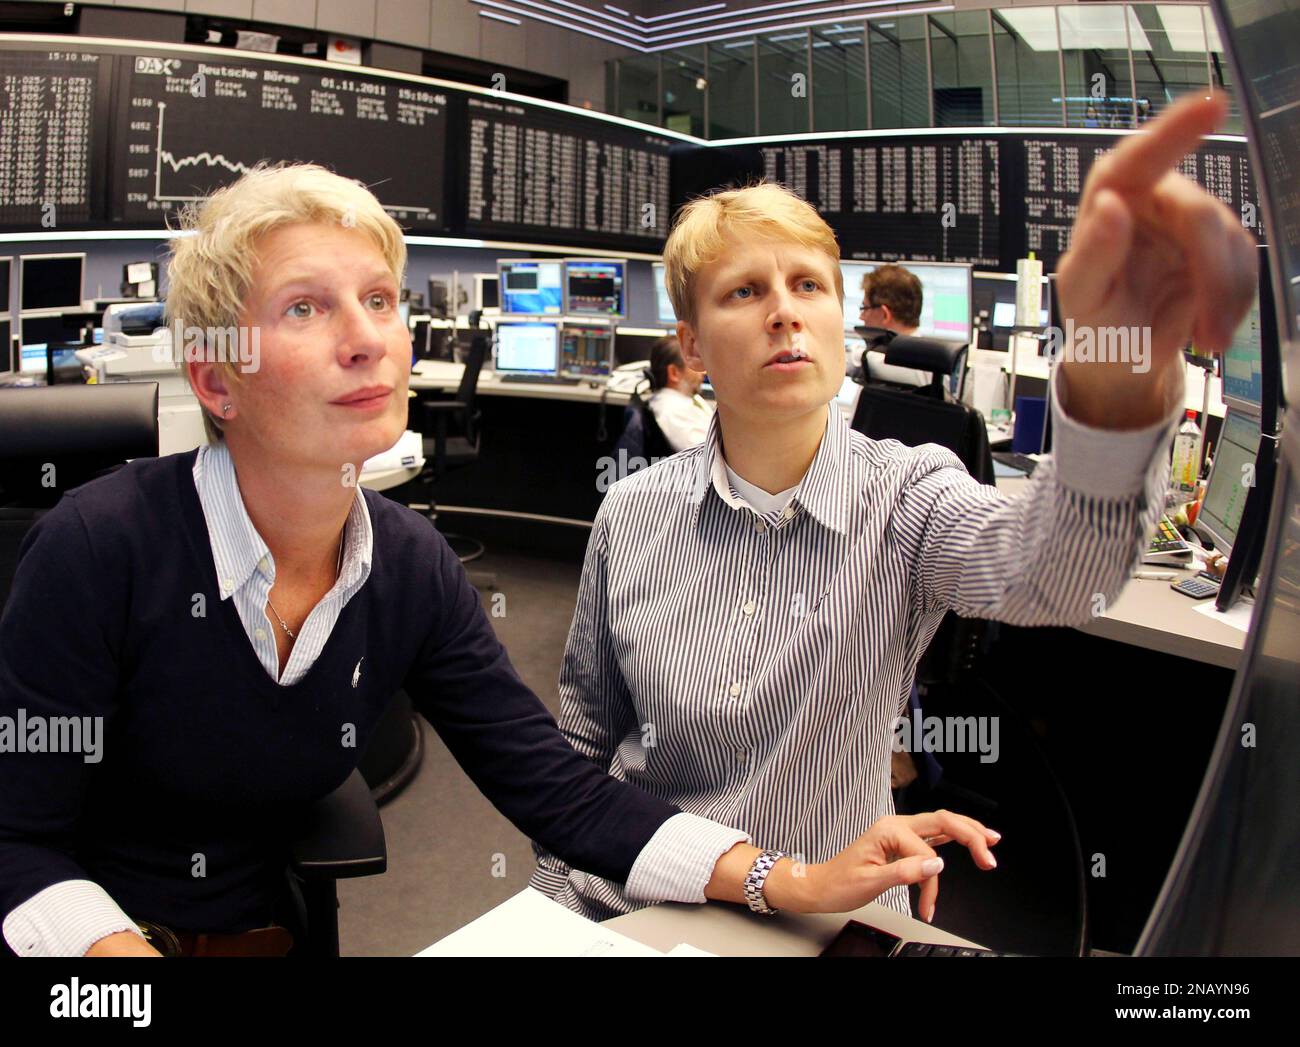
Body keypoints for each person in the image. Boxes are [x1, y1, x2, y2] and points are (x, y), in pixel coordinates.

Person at [0, 163, 998, 958]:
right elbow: (16, 842)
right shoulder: (100, 545)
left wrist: (786, 878)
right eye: (306, 309)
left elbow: (558, 791)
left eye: (381, 299)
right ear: (217, 379)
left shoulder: (407, 564)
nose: (368, 341)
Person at [530, 93, 1257, 923]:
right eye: (743, 292)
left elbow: (1058, 575)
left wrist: (1111, 362)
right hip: (637, 904)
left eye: (810, 284)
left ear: (845, 322)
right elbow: (582, 755)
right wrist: (551, 914)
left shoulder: (906, 494)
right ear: (691, 347)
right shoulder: (631, 515)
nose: (784, 311)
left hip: (816, 915)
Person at [859, 264, 932, 388]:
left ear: (884, 315)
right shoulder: (932, 366)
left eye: (865, 308)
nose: (861, 316)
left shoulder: (876, 365)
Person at [646, 335, 714, 451]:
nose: (703, 372)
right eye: (694, 364)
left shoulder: (687, 398)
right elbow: (707, 455)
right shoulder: (672, 412)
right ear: (674, 373)